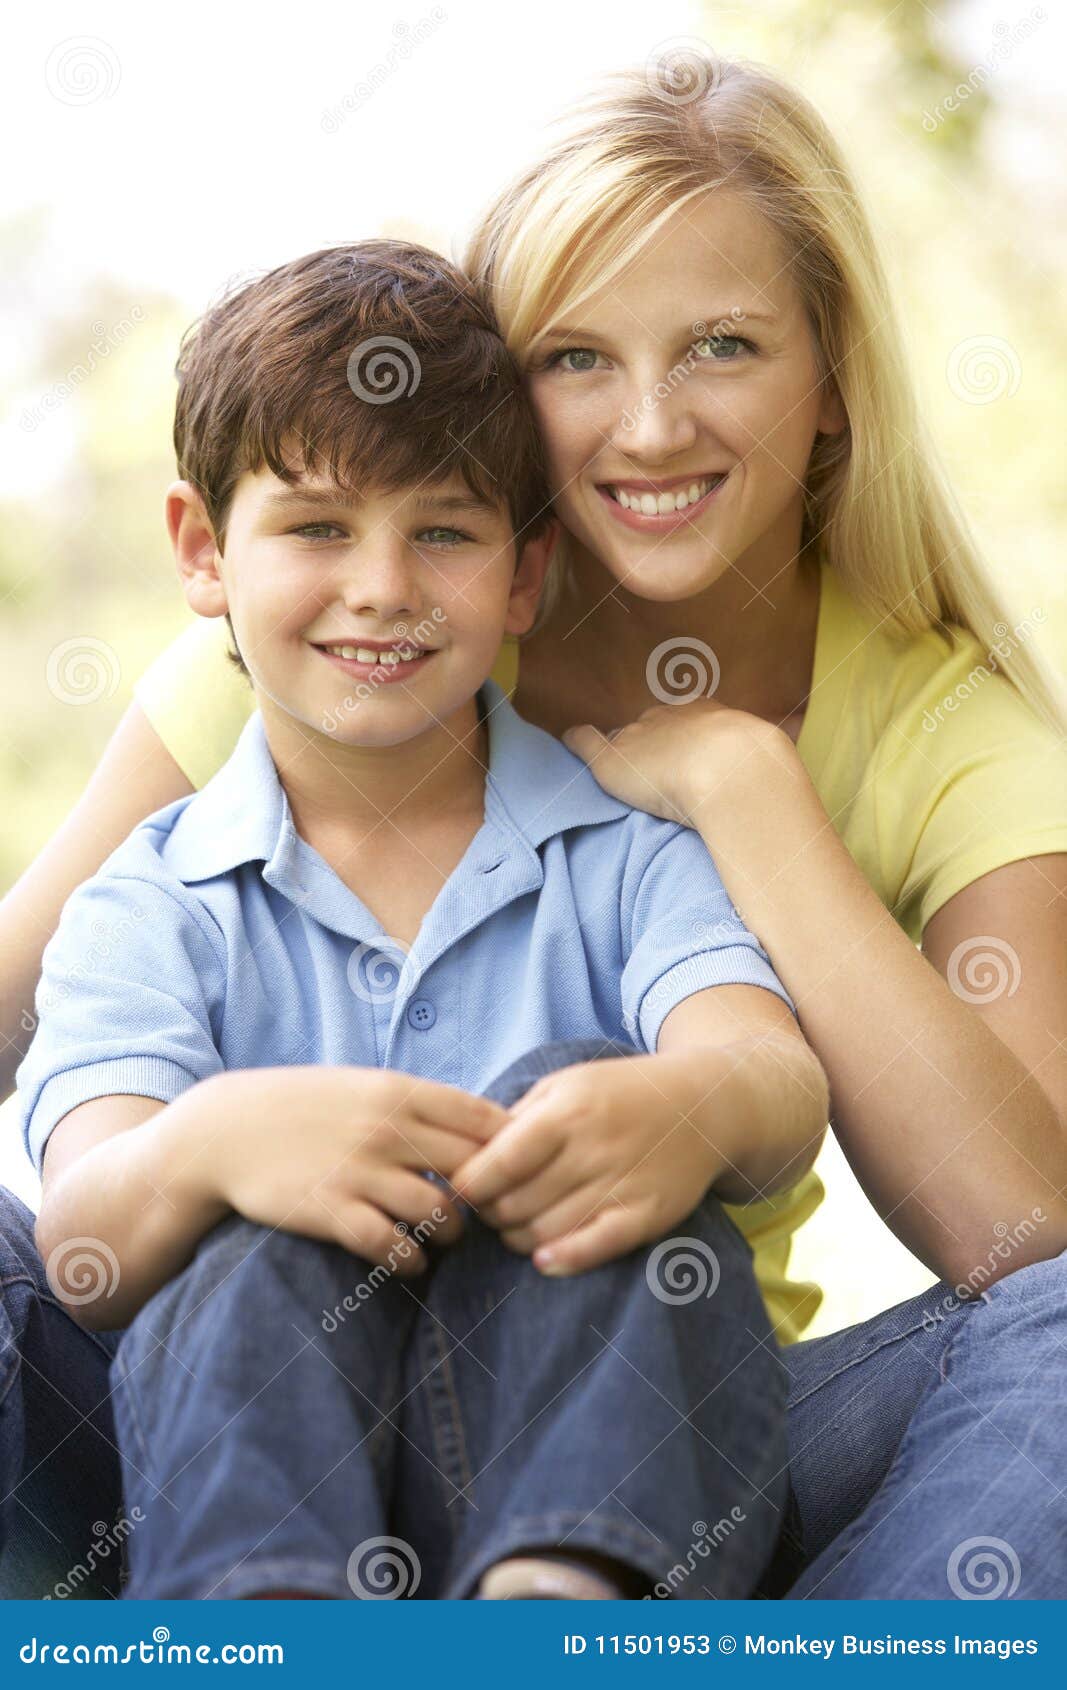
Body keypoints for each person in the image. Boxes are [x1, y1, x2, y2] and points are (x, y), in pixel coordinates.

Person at [2, 47, 1066, 1599]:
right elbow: (54, 1045)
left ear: (832, 383)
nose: (647, 426)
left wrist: (744, 796)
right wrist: (208, 1147)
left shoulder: (942, 728)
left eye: (720, 346)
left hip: (666, 1446)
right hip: (224, 1428)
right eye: (575, 357)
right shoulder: (335, 634)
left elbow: (1023, 1235)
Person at [9, 240, 829, 1601]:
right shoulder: (147, 903)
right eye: (319, 528)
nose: (382, 583)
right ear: (205, 552)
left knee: (609, 1137)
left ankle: (557, 1612)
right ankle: (275, 1627)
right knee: (245, 1237)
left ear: (522, 576)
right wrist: (214, 1141)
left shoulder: (626, 859)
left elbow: (776, 1079)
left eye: (442, 531)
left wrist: (691, 1104)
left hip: (572, 1479)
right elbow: (83, 1243)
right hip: (265, 1507)